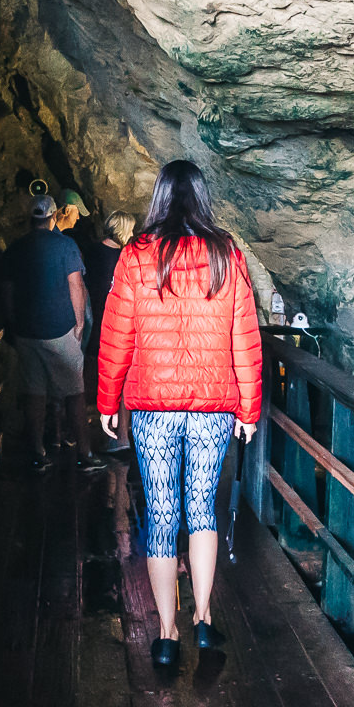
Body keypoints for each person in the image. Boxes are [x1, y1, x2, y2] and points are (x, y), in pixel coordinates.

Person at [96, 162, 261, 667]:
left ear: (160, 198)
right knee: (203, 509)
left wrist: (107, 401)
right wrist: (248, 408)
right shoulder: (226, 255)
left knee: (163, 513)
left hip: (154, 408)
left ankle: (167, 633)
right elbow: (244, 336)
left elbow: (117, 334)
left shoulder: (136, 255)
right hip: (213, 407)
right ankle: (203, 621)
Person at [1, 193, 104, 473]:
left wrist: (12, 324)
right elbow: (75, 285)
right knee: (74, 393)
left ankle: (37, 453)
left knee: (34, 393)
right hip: (60, 330)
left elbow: (7, 290)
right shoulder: (65, 246)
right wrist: (80, 323)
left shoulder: (16, 248)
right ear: (53, 216)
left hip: (26, 332)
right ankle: (84, 454)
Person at [84, 212, 136, 451]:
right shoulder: (127, 257)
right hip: (119, 325)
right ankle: (120, 436)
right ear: (123, 230)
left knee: (94, 377)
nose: (133, 234)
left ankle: (87, 437)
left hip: (94, 321)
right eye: (131, 229)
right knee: (121, 381)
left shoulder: (91, 252)